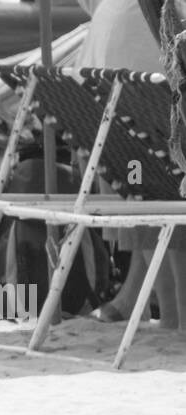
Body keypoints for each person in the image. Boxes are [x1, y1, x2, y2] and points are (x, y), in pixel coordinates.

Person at [76, 0, 186, 328]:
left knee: (149, 191)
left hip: (103, 100)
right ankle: (172, 318)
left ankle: (167, 316)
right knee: (163, 192)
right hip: (145, 92)